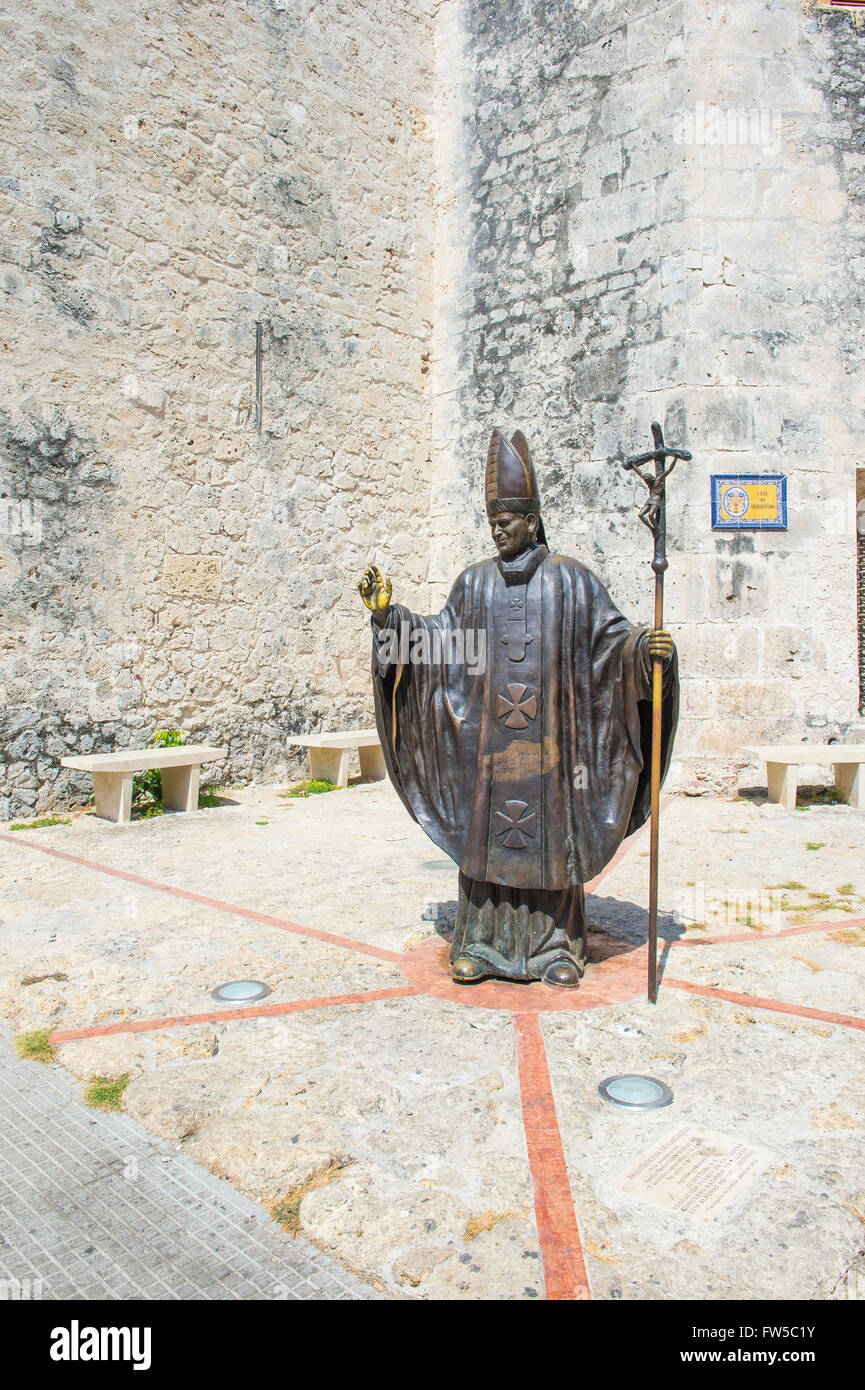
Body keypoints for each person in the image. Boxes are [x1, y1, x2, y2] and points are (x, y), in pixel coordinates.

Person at [358, 428, 678, 988]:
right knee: (486, 844)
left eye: (507, 521)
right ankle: (479, 943)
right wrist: (391, 619)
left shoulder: (572, 581)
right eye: (492, 523)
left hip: (552, 755)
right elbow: (439, 642)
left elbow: (611, 645)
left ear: (532, 521)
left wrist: (644, 652)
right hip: (490, 752)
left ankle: (557, 946)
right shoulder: (474, 584)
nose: (498, 531)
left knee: (552, 840)